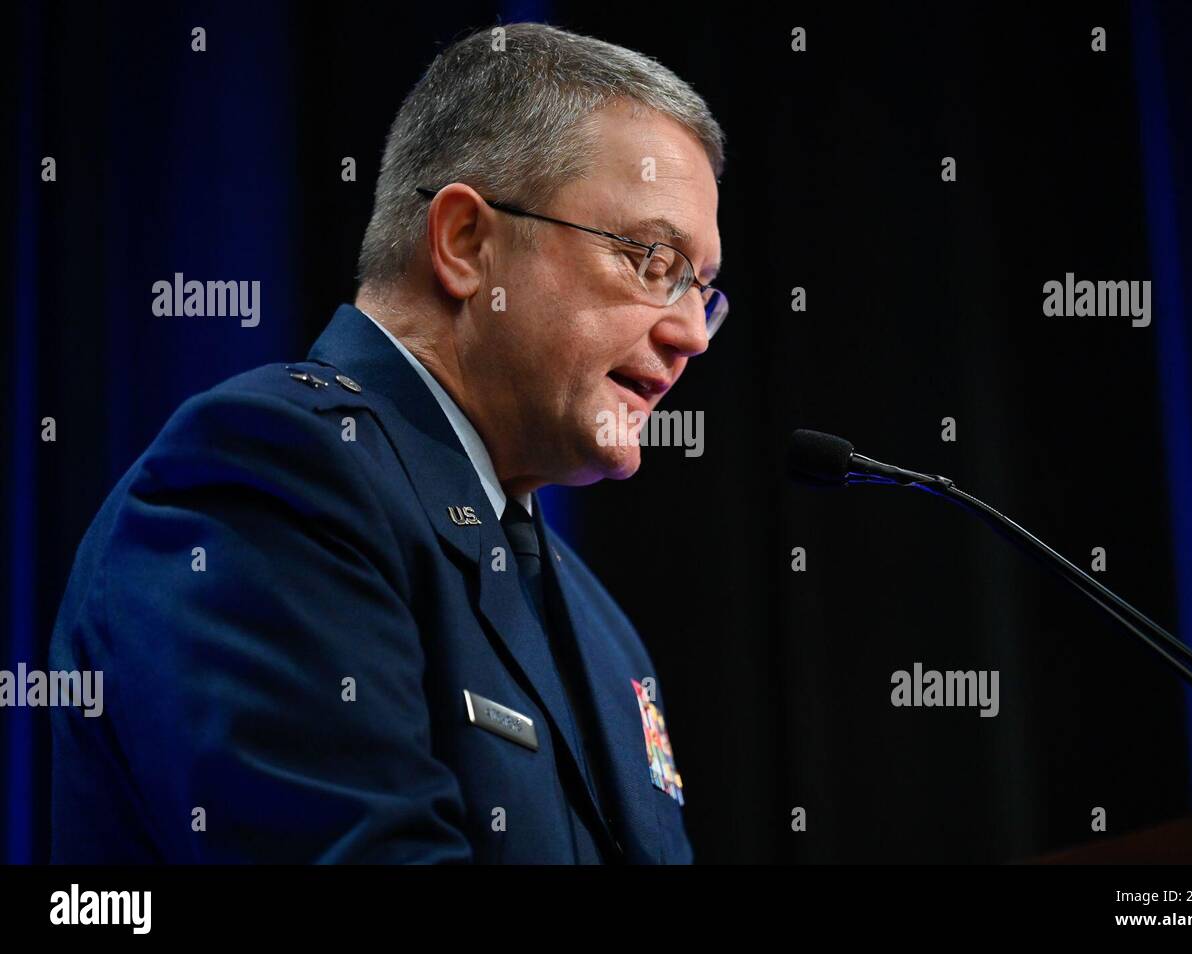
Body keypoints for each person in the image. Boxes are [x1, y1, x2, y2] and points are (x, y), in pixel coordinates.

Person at [48, 22, 726, 864]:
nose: (691, 335)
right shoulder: (266, 479)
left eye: (703, 291)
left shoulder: (603, 626)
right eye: (652, 261)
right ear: (466, 244)